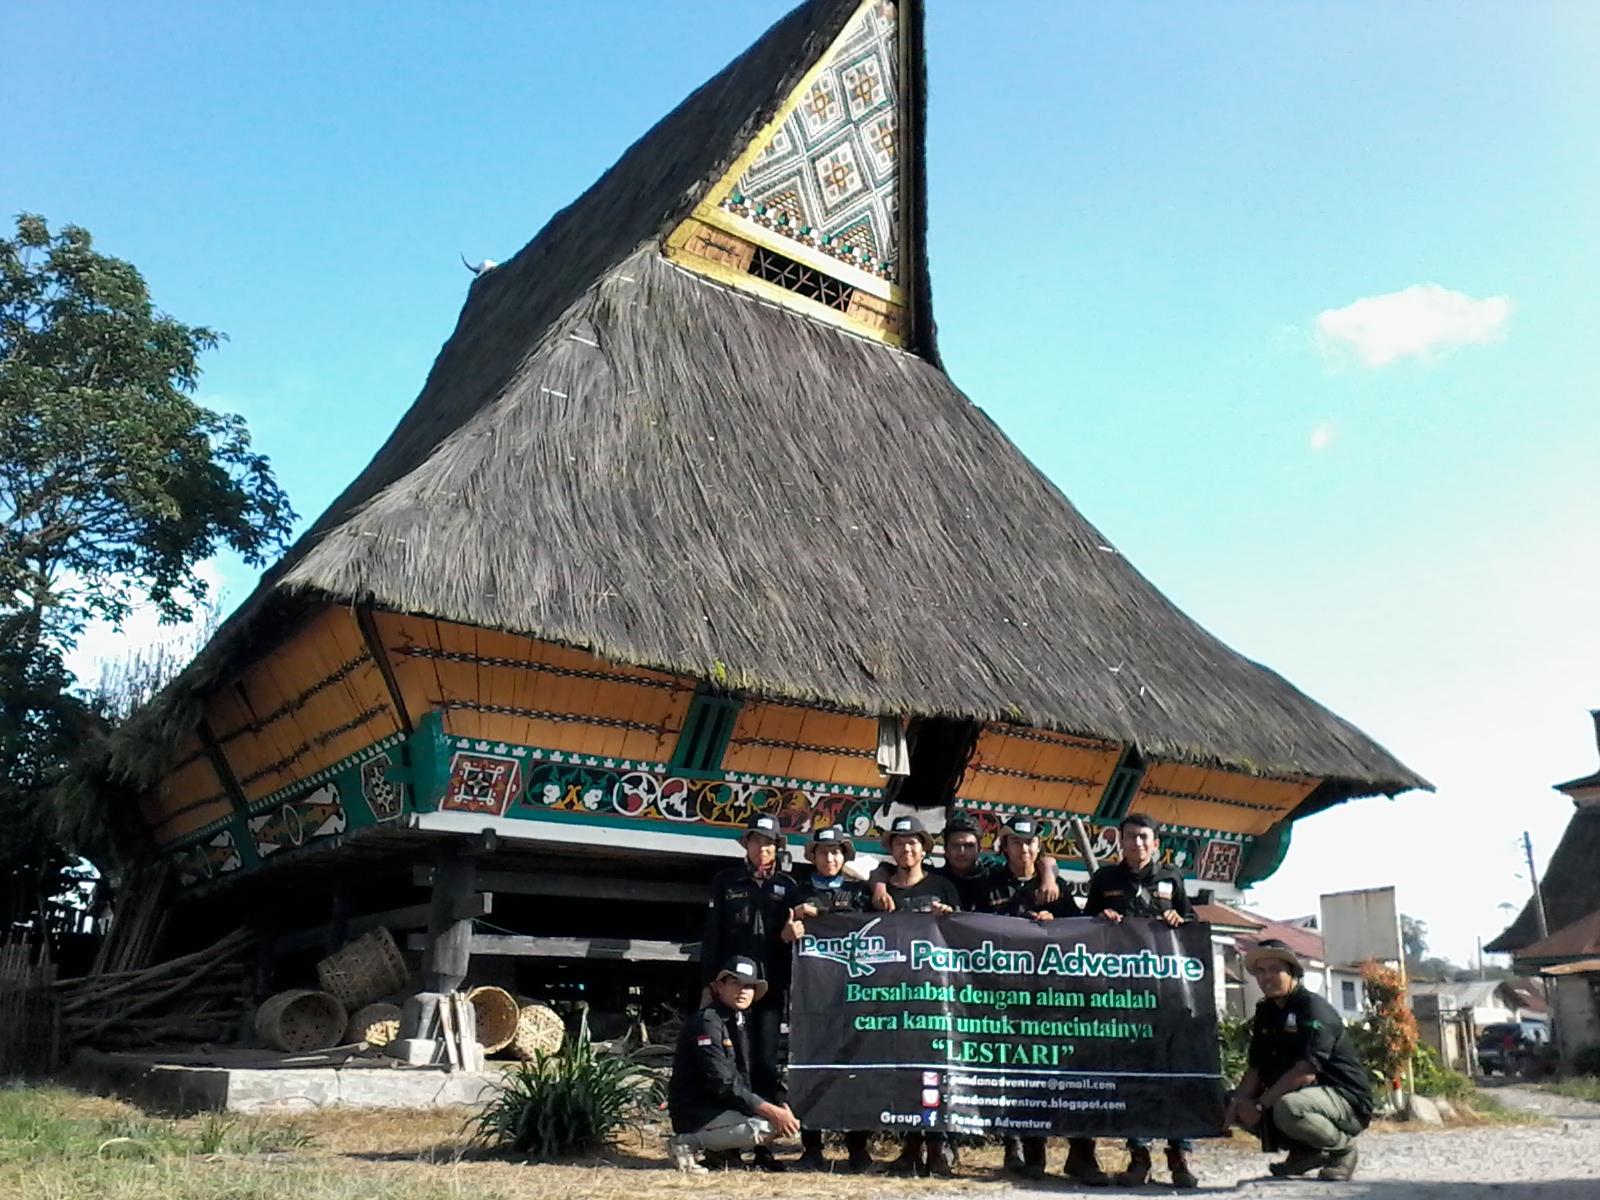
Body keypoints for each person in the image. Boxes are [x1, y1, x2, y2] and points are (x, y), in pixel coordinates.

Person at [1077, 811, 1199, 1188]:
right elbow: (1084, 926)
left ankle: (1179, 1158)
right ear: (1120, 842)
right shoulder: (1105, 878)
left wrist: (1181, 919)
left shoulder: (1171, 878)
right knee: (1137, 1073)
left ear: (1156, 843)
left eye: (1144, 837)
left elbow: (1192, 922)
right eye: (1130, 837)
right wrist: (1102, 917)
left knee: (1175, 1071)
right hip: (1124, 999)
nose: (1137, 844)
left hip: (1168, 995)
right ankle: (1139, 1156)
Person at [974, 816, 1081, 1180]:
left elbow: (1081, 932)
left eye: (1031, 843)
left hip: (1047, 997)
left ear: (1039, 847)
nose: (1024, 849)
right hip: (1002, 995)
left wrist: (1055, 922)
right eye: (1017, 843)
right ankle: (1011, 1148)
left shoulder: (1057, 885)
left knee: (1042, 1071)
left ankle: (1039, 1151)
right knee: (1007, 1070)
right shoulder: (987, 884)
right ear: (1005, 847)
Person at [1226, 939, 1373, 1182]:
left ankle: (1343, 1150)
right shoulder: (1266, 1011)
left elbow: (1305, 1071)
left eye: (1275, 970)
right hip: (1303, 1095)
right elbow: (1257, 1066)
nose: (1267, 977)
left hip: (1345, 1100)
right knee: (1233, 1101)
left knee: (1289, 1107)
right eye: (1261, 971)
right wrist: (1238, 1104)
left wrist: (1260, 1105)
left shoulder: (1313, 1008)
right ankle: (1307, 1152)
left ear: (1293, 972)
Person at [699, 812, 798, 1171]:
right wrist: (708, 984)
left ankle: (763, 1147)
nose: (763, 848)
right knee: (729, 1065)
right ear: (747, 844)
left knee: (765, 1065)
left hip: (769, 990)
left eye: (769, 843)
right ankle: (725, 1147)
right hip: (730, 988)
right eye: (757, 841)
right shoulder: (726, 882)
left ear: (777, 849)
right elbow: (713, 936)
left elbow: (796, 937)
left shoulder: (788, 887)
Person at [781, 825, 874, 1173]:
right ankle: (811, 1147)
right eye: (823, 852)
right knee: (810, 1068)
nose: (830, 858)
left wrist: (829, 917)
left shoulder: (860, 894)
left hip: (852, 995)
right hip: (811, 997)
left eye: (836, 852)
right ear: (813, 856)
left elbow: (875, 929)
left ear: (844, 856)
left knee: (855, 1070)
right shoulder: (797, 893)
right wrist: (790, 929)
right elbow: (783, 937)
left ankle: (858, 1148)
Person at [878, 815, 960, 1176]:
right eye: (899, 843)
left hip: (935, 994)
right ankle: (910, 1147)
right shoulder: (882, 889)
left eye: (913, 843)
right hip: (897, 995)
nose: (906, 849)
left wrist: (948, 917)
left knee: (937, 1070)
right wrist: (878, 887)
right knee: (905, 1071)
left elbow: (963, 933)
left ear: (924, 848)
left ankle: (938, 1147)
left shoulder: (942, 886)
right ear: (892, 849)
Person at [668, 956, 801, 1173]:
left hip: (722, 1107)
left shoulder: (737, 1020)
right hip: (698, 1110)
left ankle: (719, 1151)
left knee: (778, 1114)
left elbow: (745, 1078)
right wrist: (772, 1112)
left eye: (749, 986)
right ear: (720, 987)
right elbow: (723, 1082)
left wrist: (777, 1104)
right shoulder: (708, 1022)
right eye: (735, 983)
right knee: (767, 1125)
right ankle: (685, 1142)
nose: (742, 991)